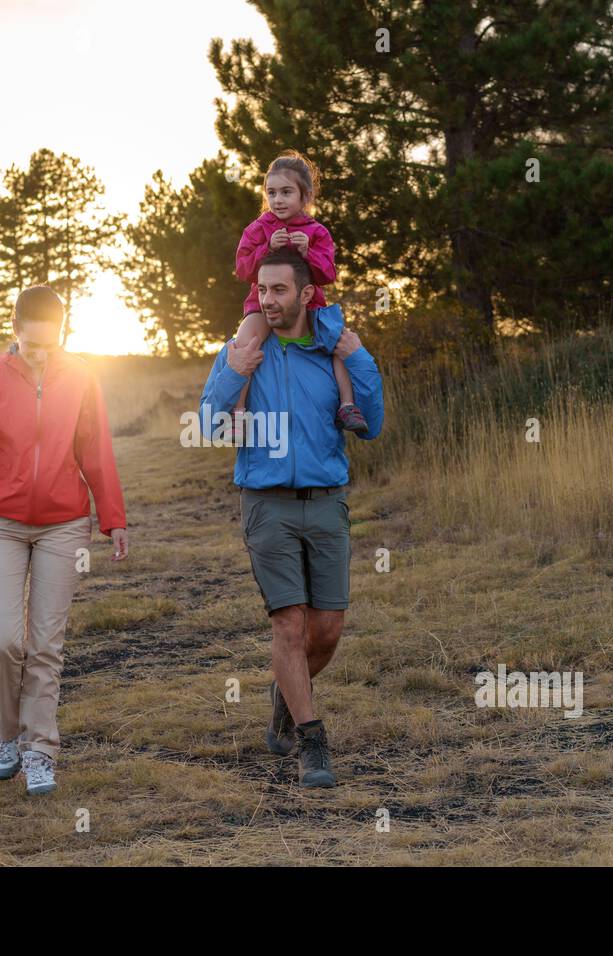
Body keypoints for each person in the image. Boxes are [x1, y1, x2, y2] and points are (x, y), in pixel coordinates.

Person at [199, 249, 384, 787]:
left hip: (327, 501)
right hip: (266, 502)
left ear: (306, 295)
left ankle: (287, 690)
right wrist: (233, 372)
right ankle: (311, 740)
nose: (267, 300)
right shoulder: (244, 348)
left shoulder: (331, 354)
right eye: (261, 290)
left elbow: (370, 425)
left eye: (279, 290)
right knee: (289, 623)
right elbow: (210, 423)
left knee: (326, 631)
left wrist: (362, 357)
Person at [0, 286, 128, 794]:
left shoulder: (82, 376)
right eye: (32, 345)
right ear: (15, 331)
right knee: (4, 641)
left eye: (51, 344)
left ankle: (40, 749)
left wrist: (113, 517)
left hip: (64, 524)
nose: (42, 355)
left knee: (46, 644)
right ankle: (5, 736)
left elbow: (95, 448)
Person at [232, 149, 368, 433]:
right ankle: (239, 412)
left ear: (304, 196)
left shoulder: (317, 232)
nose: (278, 200)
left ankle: (347, 406)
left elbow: (328, 274)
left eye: (286, 192)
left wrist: (309, 253)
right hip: (264, 304)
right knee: (246, 340)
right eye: (271, 193)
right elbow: (243, 269)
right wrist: (266, 248)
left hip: (310, 306)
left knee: (338, 342)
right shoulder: (257, 229)